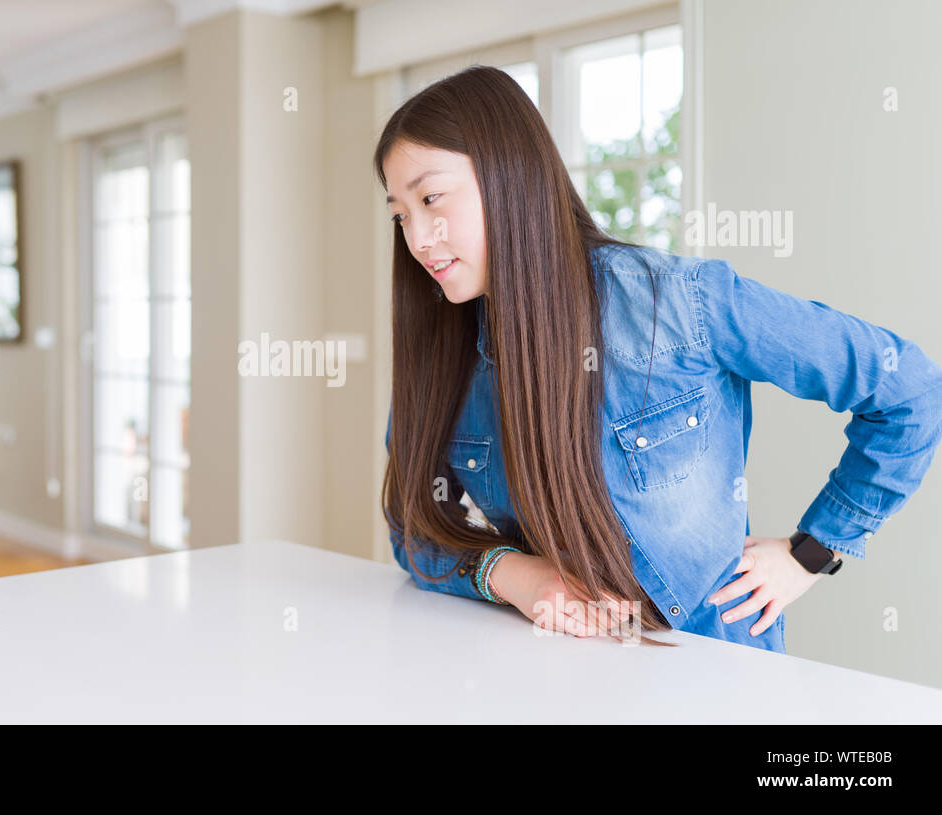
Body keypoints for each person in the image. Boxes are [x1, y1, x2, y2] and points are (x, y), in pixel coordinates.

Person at [378, 65, 942, 653]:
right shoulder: (445, 348)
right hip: (552, 677)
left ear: (509, 178)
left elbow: (910, 391)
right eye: (400, 214)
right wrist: (517, 576)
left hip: (717, 680)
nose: (417, 239)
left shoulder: (679, 302)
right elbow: (413, 529)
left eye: (431, 198)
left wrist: (813, 552)